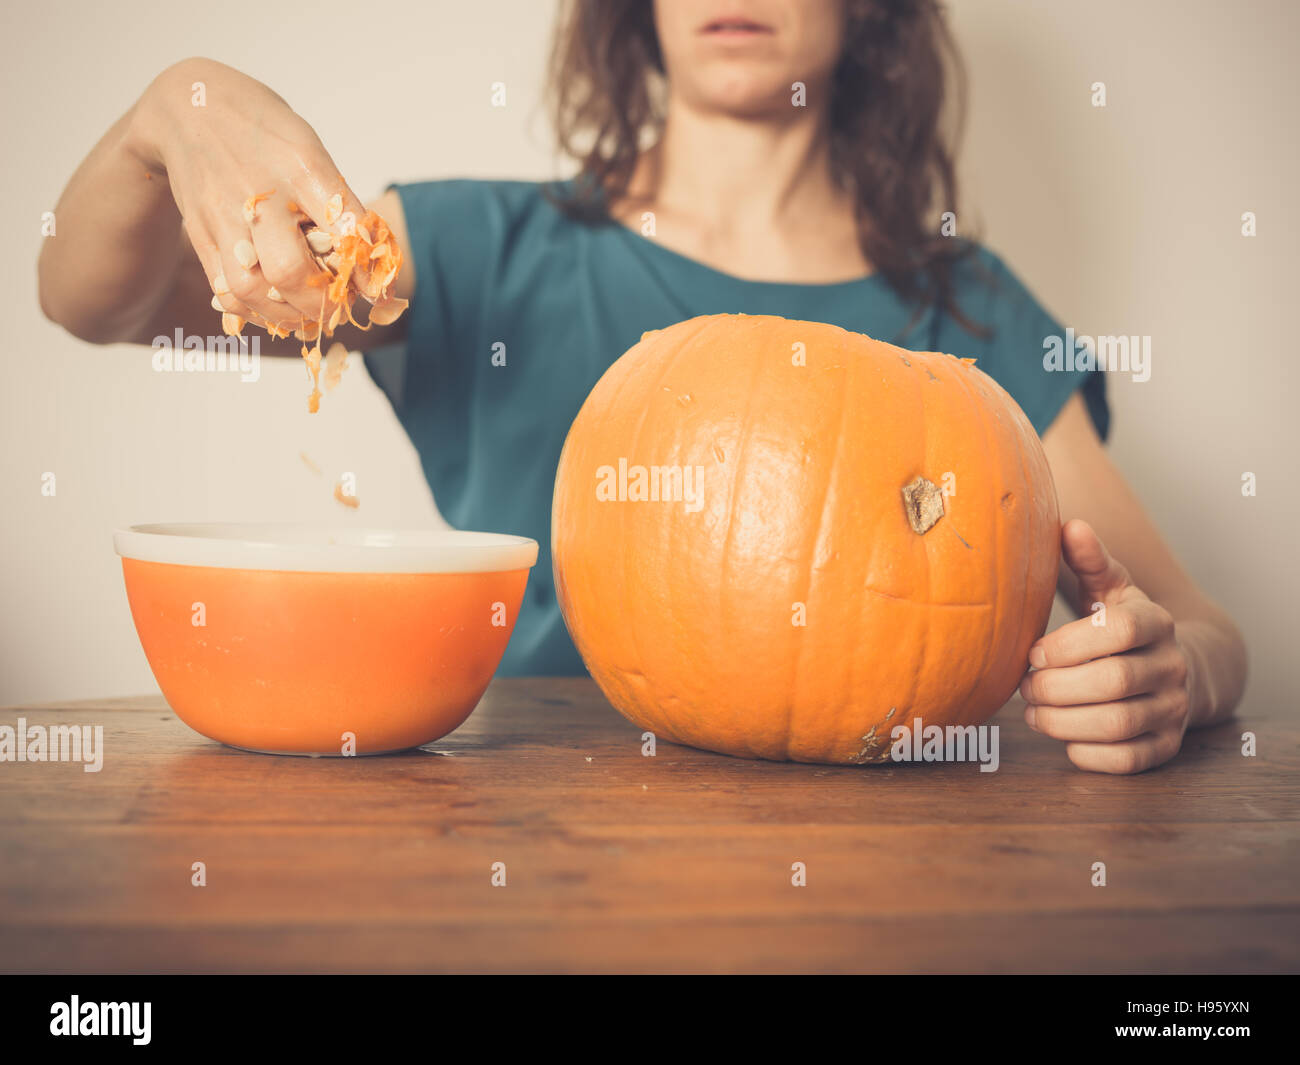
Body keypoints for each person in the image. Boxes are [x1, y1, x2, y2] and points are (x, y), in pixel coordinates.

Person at [37, 0, 1245, 773]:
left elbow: (1202, 629)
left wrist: (1168, 672)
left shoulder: (968, 308)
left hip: (912, 882)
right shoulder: (470, 253)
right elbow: (100, 302)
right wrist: (165, 115)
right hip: (516, 844)